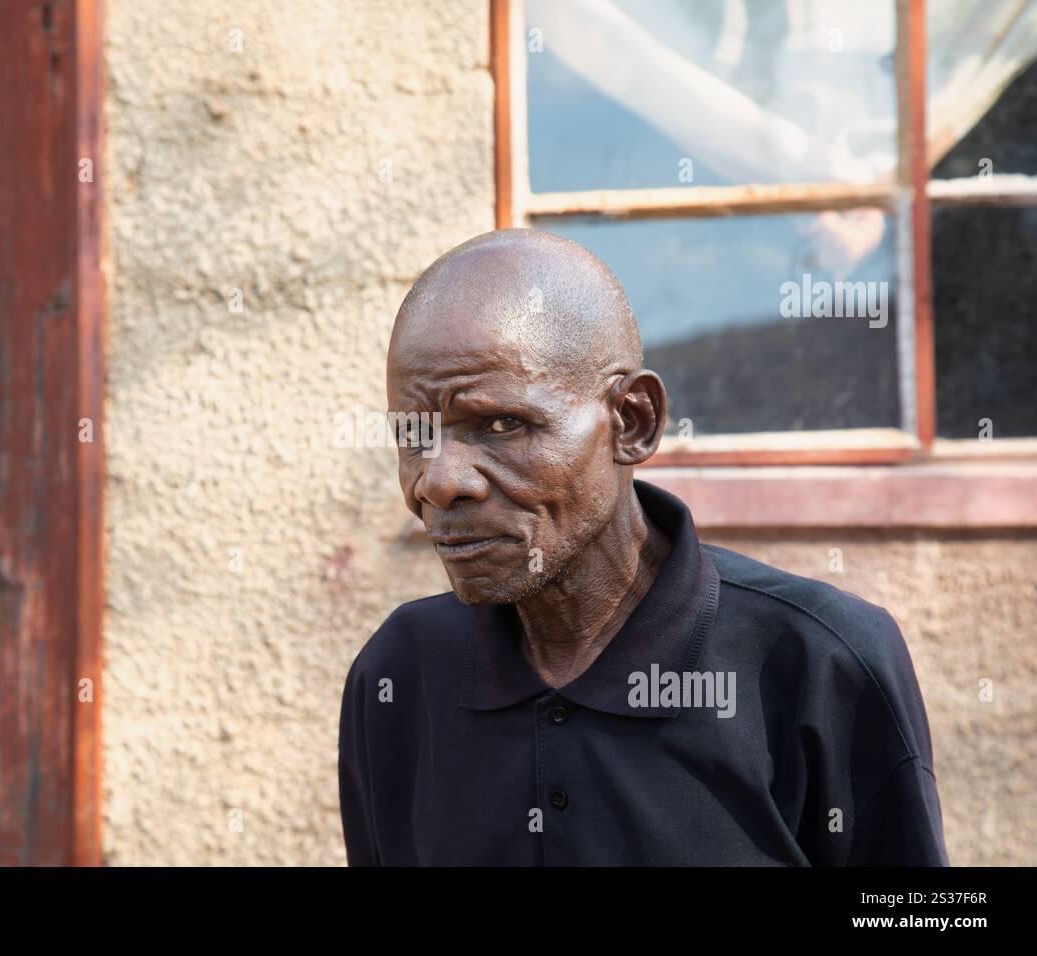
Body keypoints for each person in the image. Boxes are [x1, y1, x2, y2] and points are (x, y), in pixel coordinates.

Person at [338, 228, 949, 866]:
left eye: (502, 424)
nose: (437, 482)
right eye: (415, 434)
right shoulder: (399, 675)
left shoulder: (819, 662)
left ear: (632, 422)